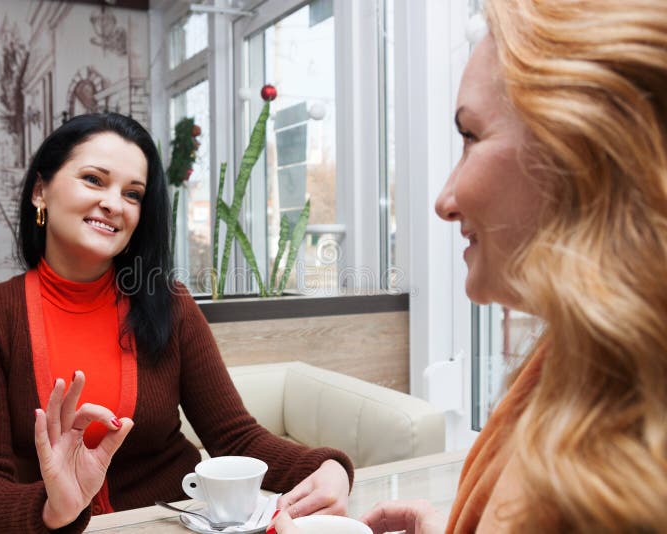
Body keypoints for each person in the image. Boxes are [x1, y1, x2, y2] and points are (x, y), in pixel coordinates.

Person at [270, 0, 667, 532]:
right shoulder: (582, 377)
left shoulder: (615, 475)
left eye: (471, 136)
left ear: (584, 151)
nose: (445, 199)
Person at [0, 112, 353, 533]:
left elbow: (236, 437)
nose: (114, 203)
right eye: (94, 179)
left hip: (173, 523)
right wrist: (52, 508)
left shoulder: (169, 304)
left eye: (133, 193)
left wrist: (325, 466)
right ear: (40, 190)